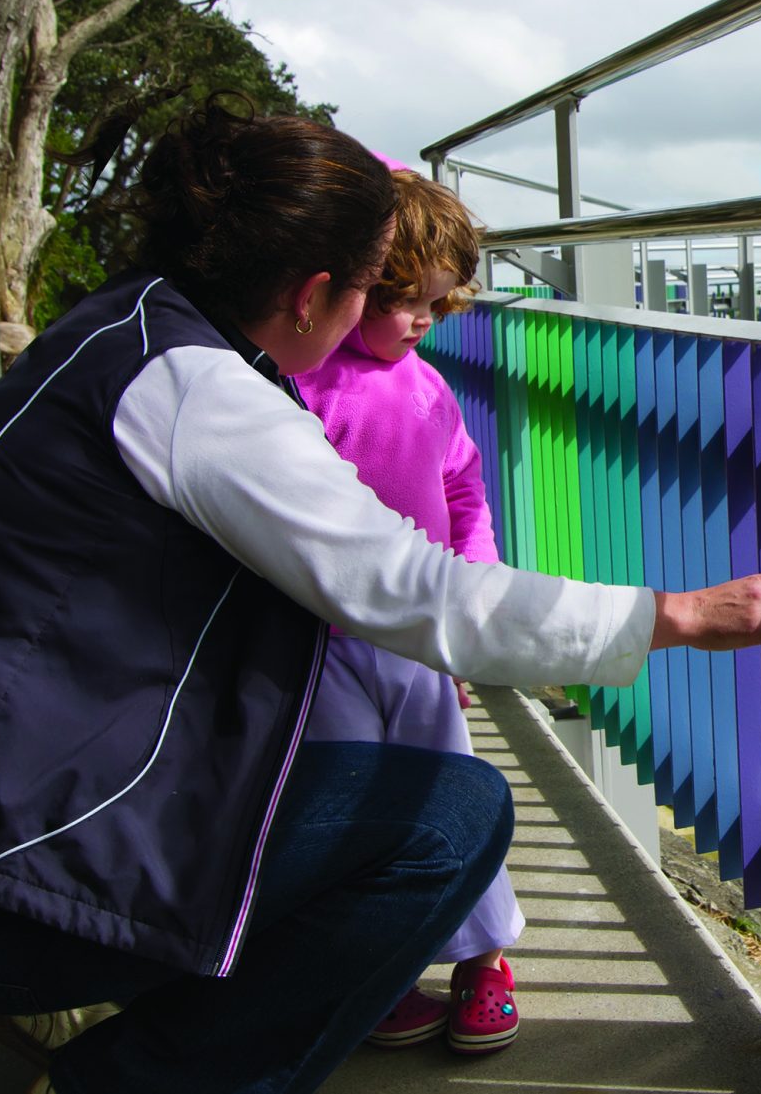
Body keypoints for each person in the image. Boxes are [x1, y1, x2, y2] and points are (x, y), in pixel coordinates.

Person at [0, 101, 761, 1094]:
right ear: (315, 293)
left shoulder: (114, 327)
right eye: (368, 290)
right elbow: (414, 590)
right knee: (447, 817)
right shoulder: (203, 396)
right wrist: (682, 615)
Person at [293, 170, 526, 1056]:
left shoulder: (426, 388)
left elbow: (465, 489)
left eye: (439, 305)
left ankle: (484, 958)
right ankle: (383, 968)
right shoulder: (298, 384)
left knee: (447, 790)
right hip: (319, 642)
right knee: (348, 804)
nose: (424, 321)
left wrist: (474, 588)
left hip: (418, 637)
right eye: (407, 302)